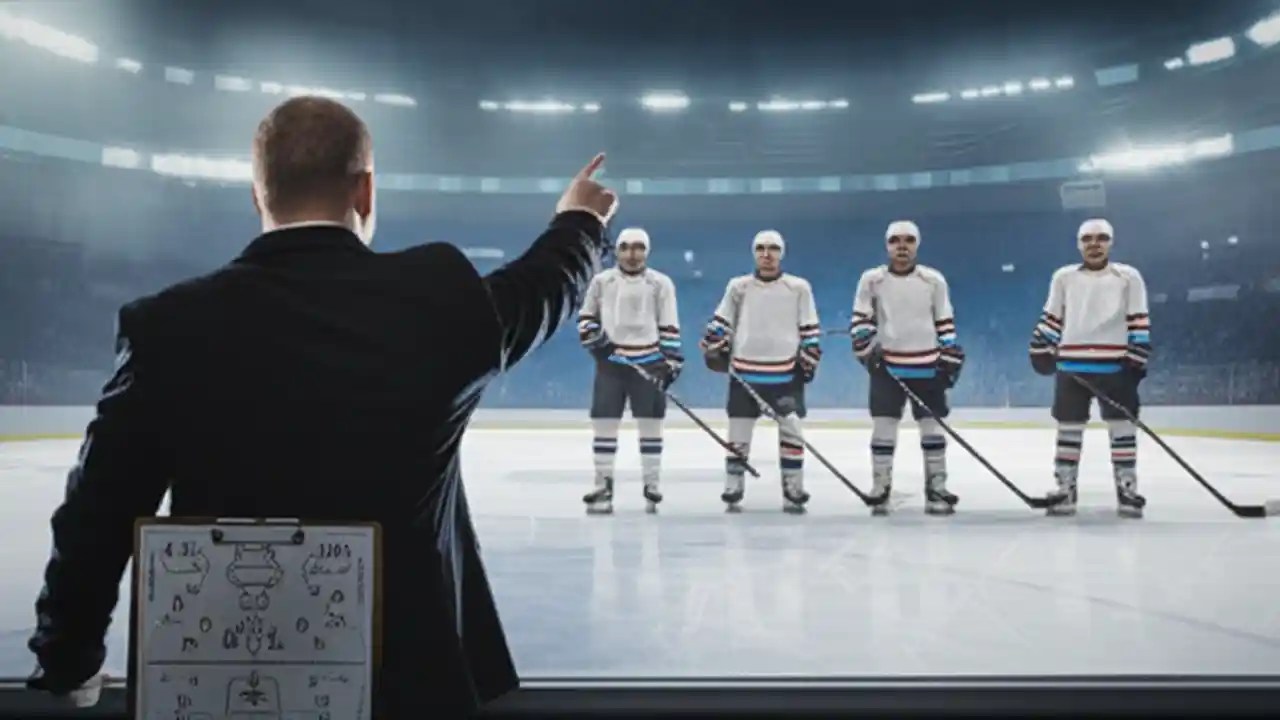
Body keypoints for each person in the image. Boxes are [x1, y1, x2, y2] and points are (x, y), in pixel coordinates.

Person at [25, 96, 619, 716]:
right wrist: (578, 221)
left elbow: (97, 511)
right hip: (406, 690)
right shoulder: (435, 297)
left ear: (258, 198)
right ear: (365, 192)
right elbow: (538, 291)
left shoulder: (165, 327)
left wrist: (68, 658)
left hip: (222, 687)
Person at [1029, 218, 1150, 518]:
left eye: (1101, 238)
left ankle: (1127, 488)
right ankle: (1065, 489)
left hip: (1115, 367)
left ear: (1111, 242)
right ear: (1078, 243)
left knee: (1122, 428)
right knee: (1069, 428)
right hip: (1071, 367)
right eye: (1087, 239)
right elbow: (1052, 318)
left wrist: (1136, 358)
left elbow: (1138, 319)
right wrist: (1039, 345)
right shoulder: (1064, 277)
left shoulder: (1129, 277)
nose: (1094, 244)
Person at [701, 230, 821, 513]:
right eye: (761, 248)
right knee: (738, 434)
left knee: (792, 431)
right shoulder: (738, 287)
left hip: (785, 376)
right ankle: (734, 484)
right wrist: (712, 341)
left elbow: (810, 329)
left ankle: (793, 486)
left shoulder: (799, 288)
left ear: (782, 253)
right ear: (754, 252)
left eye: (773, 248)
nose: (767, 254)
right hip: (744, 375)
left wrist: (809, 357)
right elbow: (721, 321)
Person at [850, 220, 964, 516]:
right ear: (887, 245)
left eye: (909, 240)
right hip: (888, 369)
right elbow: (861, 321)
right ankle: (881, 486)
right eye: (895, 240)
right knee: (883, 429)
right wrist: (866, 349)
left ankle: (937, 487)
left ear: (917, 244)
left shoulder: (933, 280)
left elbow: (945, 322)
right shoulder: (871, 280)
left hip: (928, 367)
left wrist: (948, 356)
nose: (902, 245)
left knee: (933, 430)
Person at [578, 227, 683, 514]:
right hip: (610, 367)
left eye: (638, 247)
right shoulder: (602, 282)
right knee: (604, 424)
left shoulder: (661, 284)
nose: (632, 253)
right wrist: (600, 345)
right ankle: (602, 483)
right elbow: (586, 319)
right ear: (617, 251)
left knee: (651, 424)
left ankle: (652, 483)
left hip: (648, 364)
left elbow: (669, 325)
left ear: (646, 251)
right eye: (625, 247)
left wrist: (670, 362)